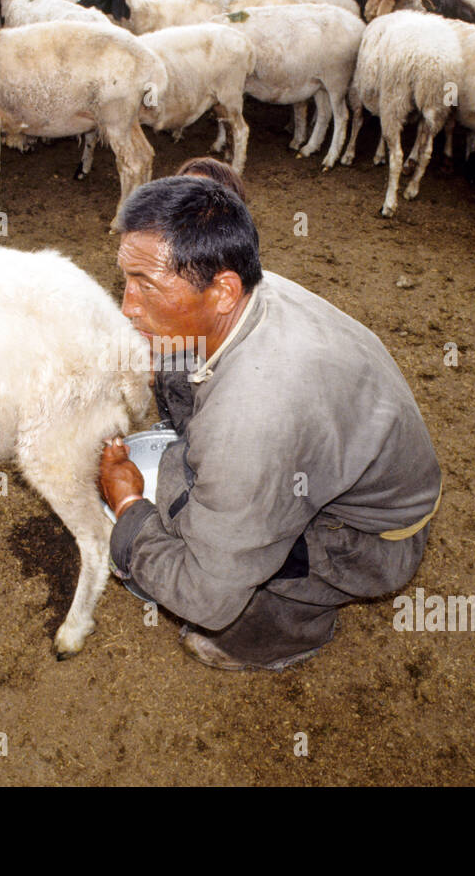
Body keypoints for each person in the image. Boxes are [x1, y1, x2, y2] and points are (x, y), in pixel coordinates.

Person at [99, 172, 443, 670]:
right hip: (352, 468)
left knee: (210, 579)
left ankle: (285, 631)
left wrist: (129, 508)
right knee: (178, 385)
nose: (127, 306)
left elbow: (206, 596)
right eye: (125, 280)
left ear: (221, 290)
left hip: (369, 540)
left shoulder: (254, 418)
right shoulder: (255, 290)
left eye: (146, 286)